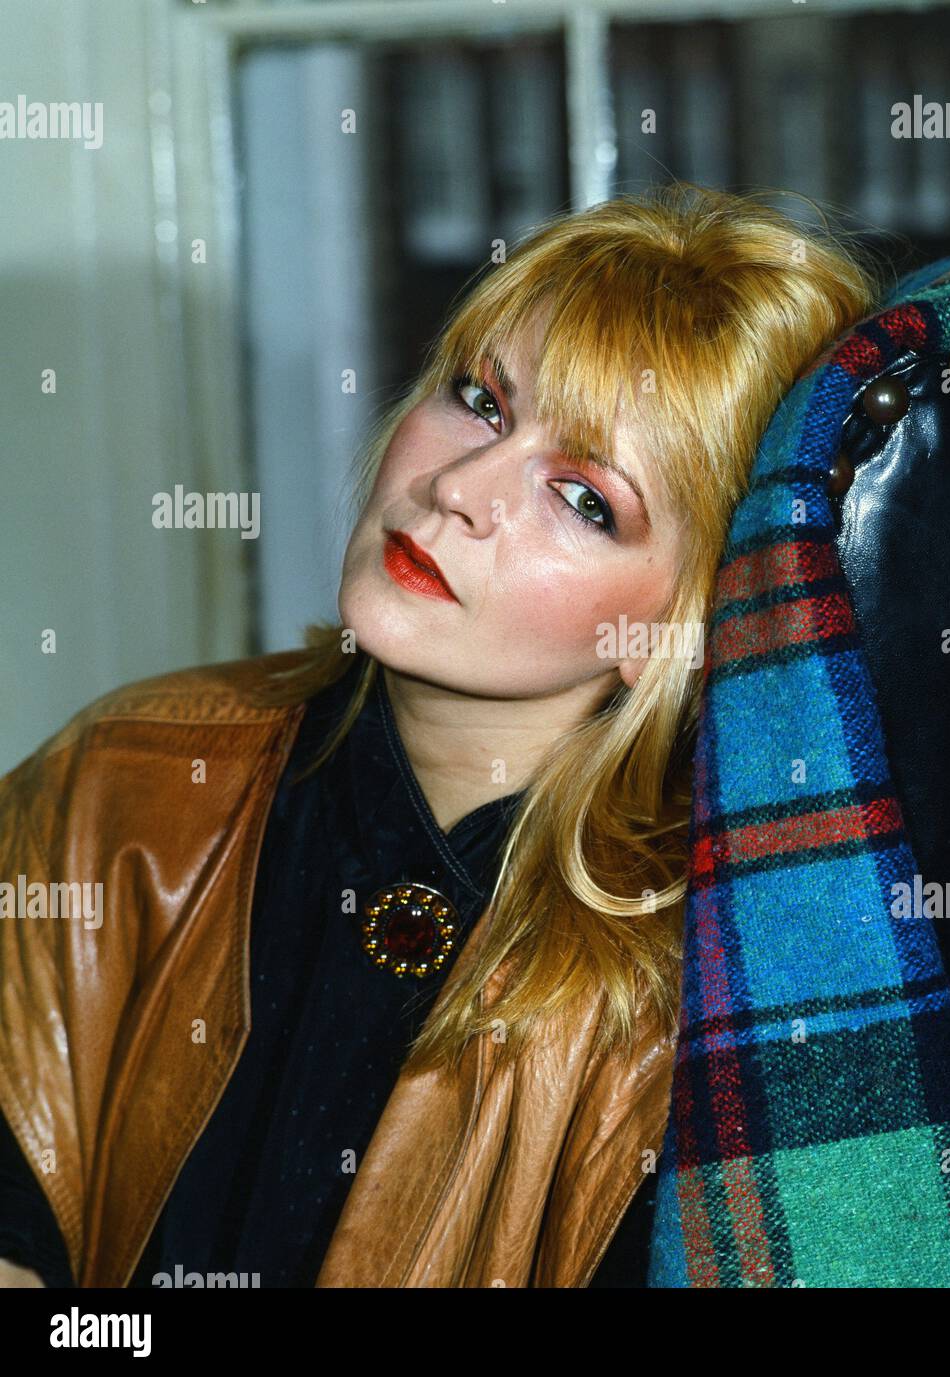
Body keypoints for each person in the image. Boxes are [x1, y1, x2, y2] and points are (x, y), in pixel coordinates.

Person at [0, 182, 878, 1288]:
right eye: (481, 401)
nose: (458, 489)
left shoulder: (716, 983)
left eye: (584, 498)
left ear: (681, 623)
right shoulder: (125, 775)